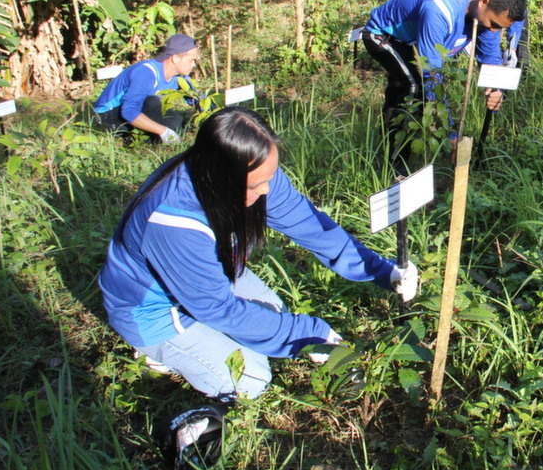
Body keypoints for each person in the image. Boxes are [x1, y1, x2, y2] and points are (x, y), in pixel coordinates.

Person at [99, 106, 419, 401]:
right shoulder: (175, 223)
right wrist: (310, 332)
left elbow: (309, 225)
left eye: (268, 178)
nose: (265, 191)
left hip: (212, 276)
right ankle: (160, 352)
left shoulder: (252, 169)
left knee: (274, 315)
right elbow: (217, 309)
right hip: (155, 311)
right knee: (251, 379)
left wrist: (383, 270)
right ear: (218, 177)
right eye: (254, 186)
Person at [360, 0, 526, 162]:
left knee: (419, 93)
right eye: (493, 23)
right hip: (385, 35)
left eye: (499, 28)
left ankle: (411, 149)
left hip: (417, 40)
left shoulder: (486, 10)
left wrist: (496, 90)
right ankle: (394, 162)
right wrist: (451, 134)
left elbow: (490, 56)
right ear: (483, 1)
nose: (494, 30)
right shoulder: (439, 11)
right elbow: (431, 75)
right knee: (411, 86)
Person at [93, 33, 202, 144]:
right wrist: (163, 131)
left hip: (138, 108)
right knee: (152, 102)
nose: (193, 65)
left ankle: (152, 137)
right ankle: (147, 143)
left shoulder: (180, 78)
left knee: (177, 123)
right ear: (175, 58)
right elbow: (128, 111)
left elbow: (199, 99)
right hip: (109, 114)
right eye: (191, 60)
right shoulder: (146, 73)